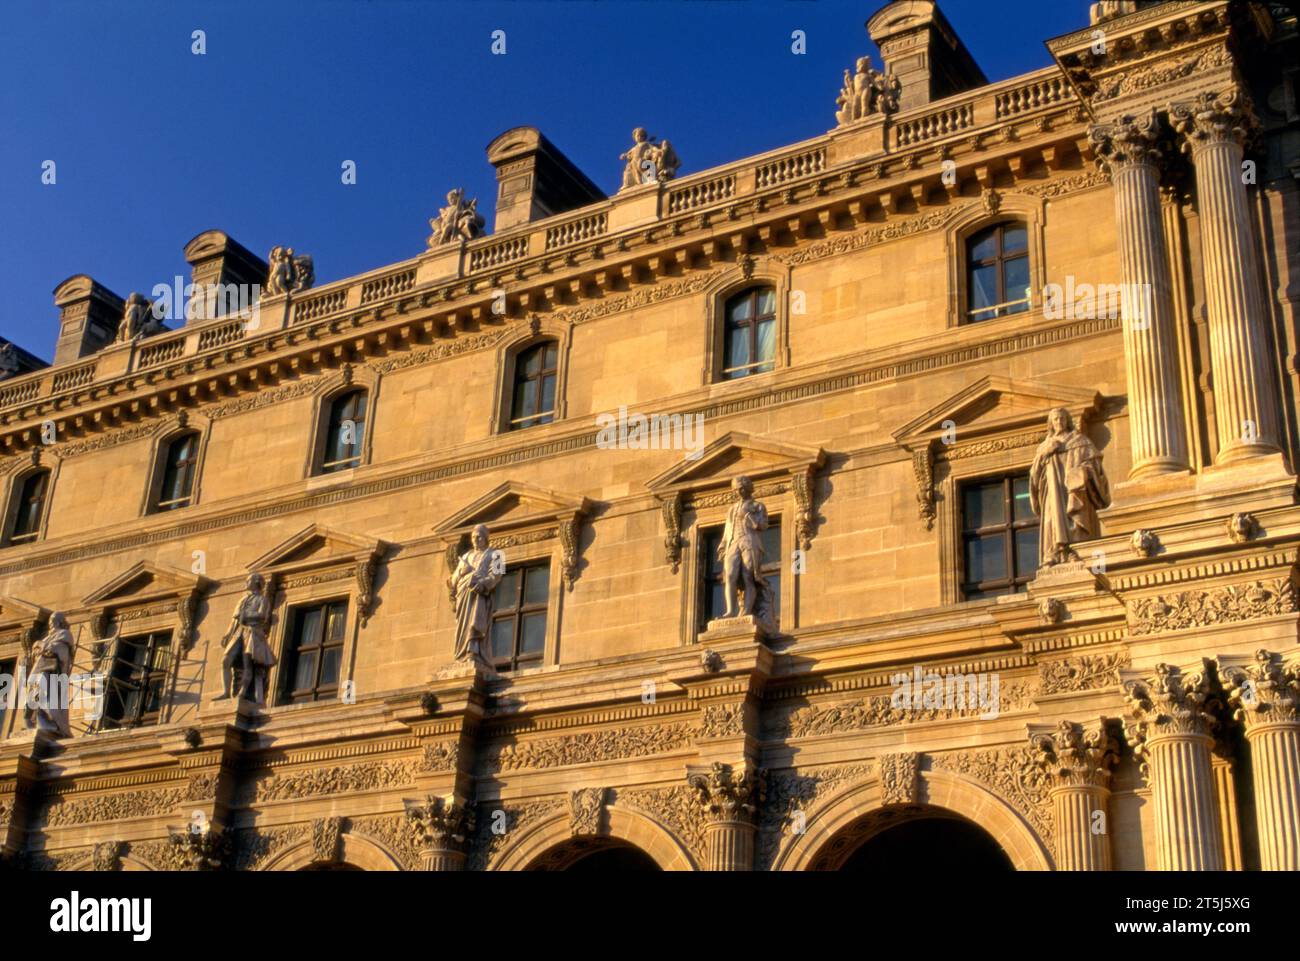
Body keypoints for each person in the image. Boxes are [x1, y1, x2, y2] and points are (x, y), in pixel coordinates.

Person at [1029, 407, 1111, 567]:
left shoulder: (1081, 442)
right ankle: (1056, 552)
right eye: (1056, 419)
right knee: (1054, 520)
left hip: (1074, 491)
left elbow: (1095, 467)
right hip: (1052, 492)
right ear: (1051, 424)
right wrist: (1045, 454)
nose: (1059, 422)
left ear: (1067, 421)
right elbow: (1034, 476)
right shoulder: (1044, 446)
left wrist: (1082, 472)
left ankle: (1075, 551)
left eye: (1062, 419)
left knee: (1075, 520)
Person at [718, 475, 773, 622]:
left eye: (741, 488)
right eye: (736, 489)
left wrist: (750, 519)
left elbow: (763, 525)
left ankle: (746, 611)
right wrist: (723, 545)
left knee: (748, 576)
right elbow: (728, 529)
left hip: (749, 541)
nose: (739, 492)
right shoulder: (731, 509)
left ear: (748, 488)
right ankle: (730, 611)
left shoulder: (758, 506)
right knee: (729, 575)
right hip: (733, 541)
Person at [451, 524, 504, 667]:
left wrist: (483, 583)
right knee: (464, 623)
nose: (476, 540)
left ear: (486, 538)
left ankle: (473, 651)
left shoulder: (497, 554)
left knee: (475, 622)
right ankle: (463, 653)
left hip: (479, 593)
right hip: (464, 592)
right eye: (474, 537)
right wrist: (462, 572)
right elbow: (454, 579)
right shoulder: (466, 556)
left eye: (479, 537)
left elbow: (497, 575)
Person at [219, 573, 275, 703]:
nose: (246, 583)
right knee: (225, 660)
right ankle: (226, 692)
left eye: (248, 580)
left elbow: (262, 615)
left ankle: (242, 692)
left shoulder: (262, 599)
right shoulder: (242, 600)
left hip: (252, 632)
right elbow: (235, 619)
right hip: (238, 631)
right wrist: (228, 634)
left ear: (256, 582)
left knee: (247, 664)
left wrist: (246, 614)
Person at [25, 612, 73, 738]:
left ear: (60, 621)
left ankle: (52, 723)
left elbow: (58, 651)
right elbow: (38, 652)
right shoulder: (48, 637)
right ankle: (39, 721)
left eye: (54, 620)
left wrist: (41, 646)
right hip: (40, 667)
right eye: (50, 621)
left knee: (43, 689)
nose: (51, 623)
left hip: (52, 670)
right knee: (34, 690)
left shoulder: (64, 634)